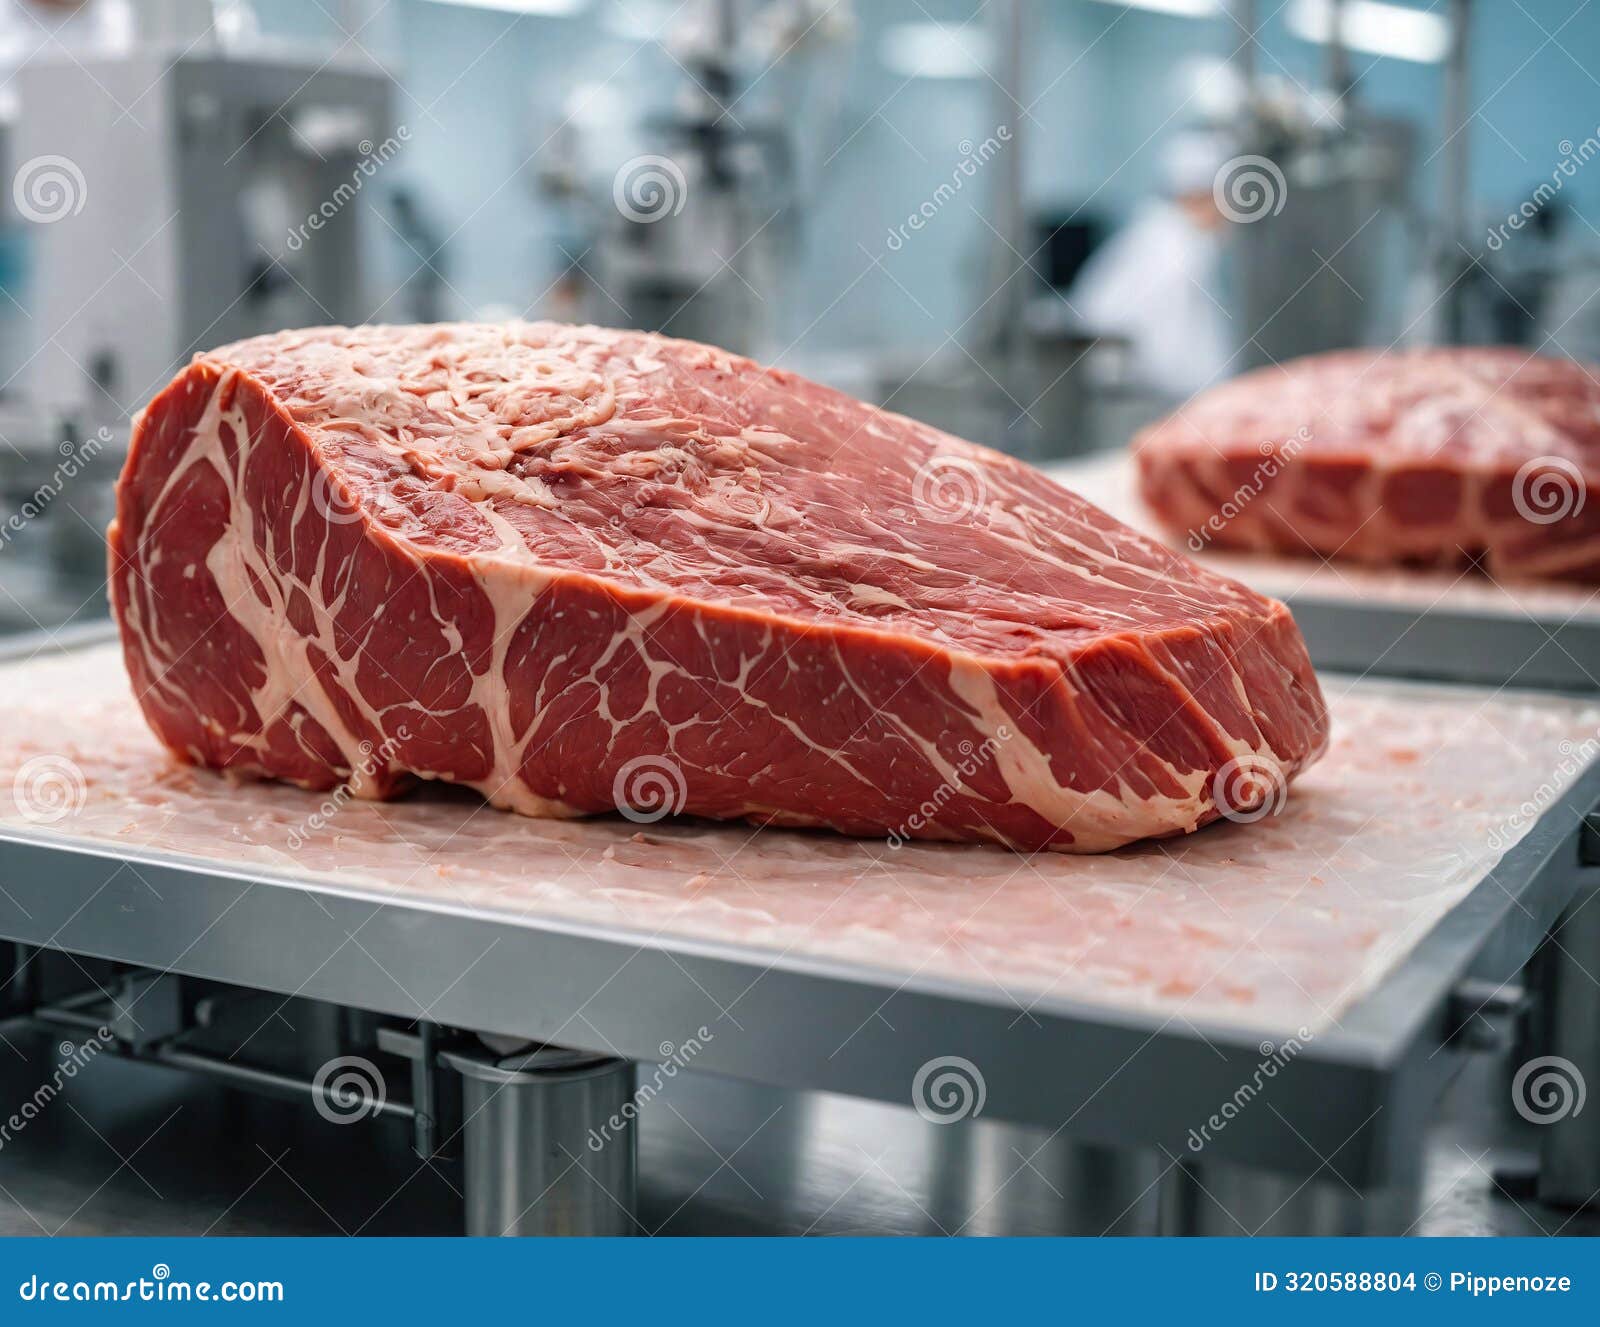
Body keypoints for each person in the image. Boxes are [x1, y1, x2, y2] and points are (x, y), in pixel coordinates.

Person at [1069, 128, 1235, 401]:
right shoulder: (1173, 249)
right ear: (1202, 196)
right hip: (1166, 402)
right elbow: (1170, 356)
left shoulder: (1173, 238)